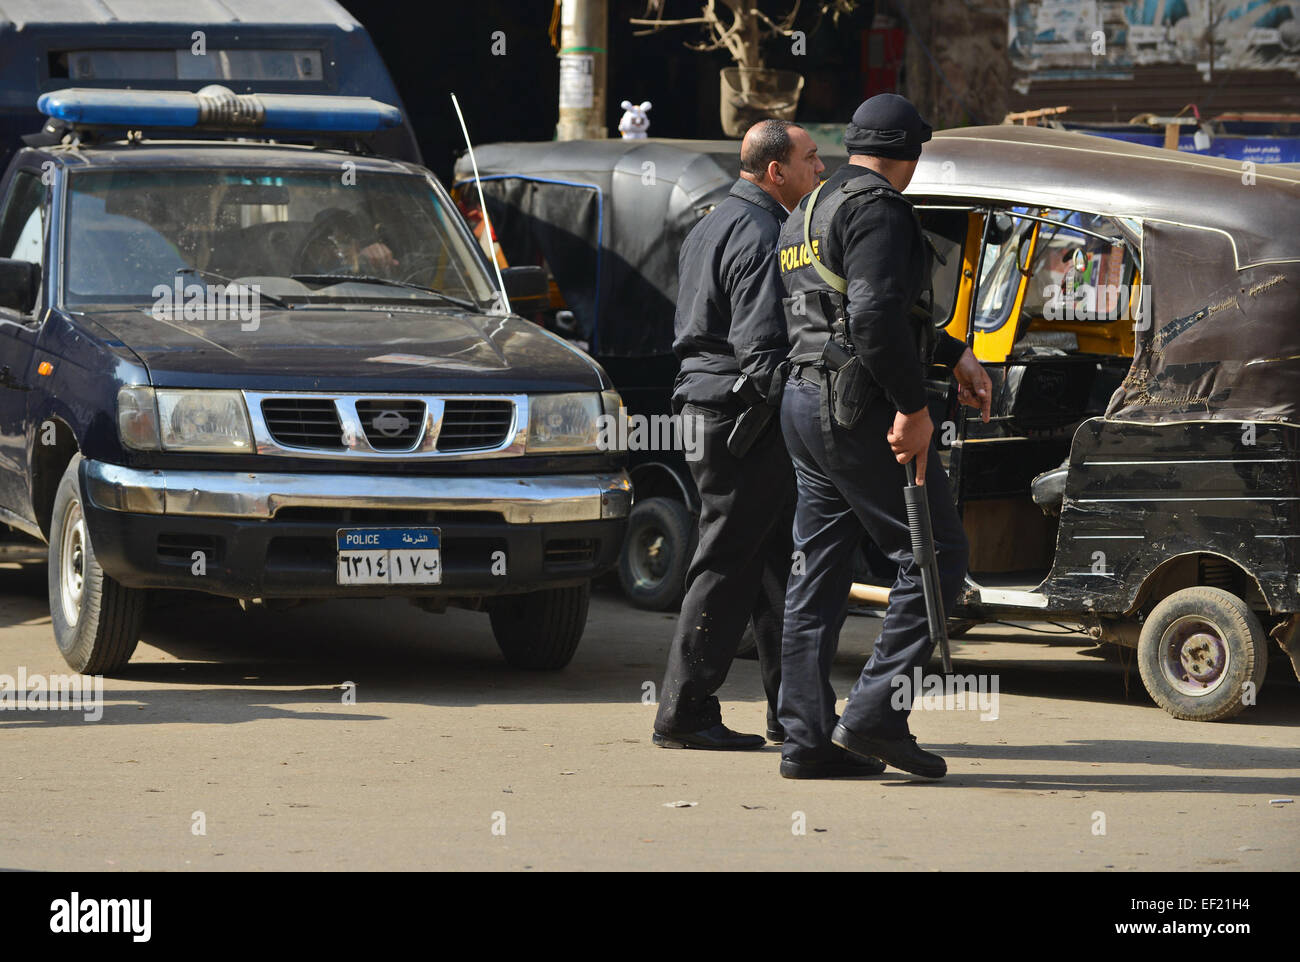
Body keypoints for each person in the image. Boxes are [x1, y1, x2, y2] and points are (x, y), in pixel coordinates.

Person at [774, 94, 992, 779]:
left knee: (817, 572)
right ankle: (874, 716)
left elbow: (849, 310)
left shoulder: (807, 211)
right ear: (912, 152)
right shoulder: (880, 208)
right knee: (934, 556)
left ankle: (806, 740)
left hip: (805, 404)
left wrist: (950, 349)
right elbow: (871, 318)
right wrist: (911, 407)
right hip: (858, 407)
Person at [652, 119, 824, 750]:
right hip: (741, 418)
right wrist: (810, 415)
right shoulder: (762, 233)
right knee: (726, 563)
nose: (820, 171)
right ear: (775, 171)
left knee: (775, 565)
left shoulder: (713, 221)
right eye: (811, 160)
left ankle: (795, 713)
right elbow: (761, 353)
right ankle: (685, 713)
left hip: (711, 408)